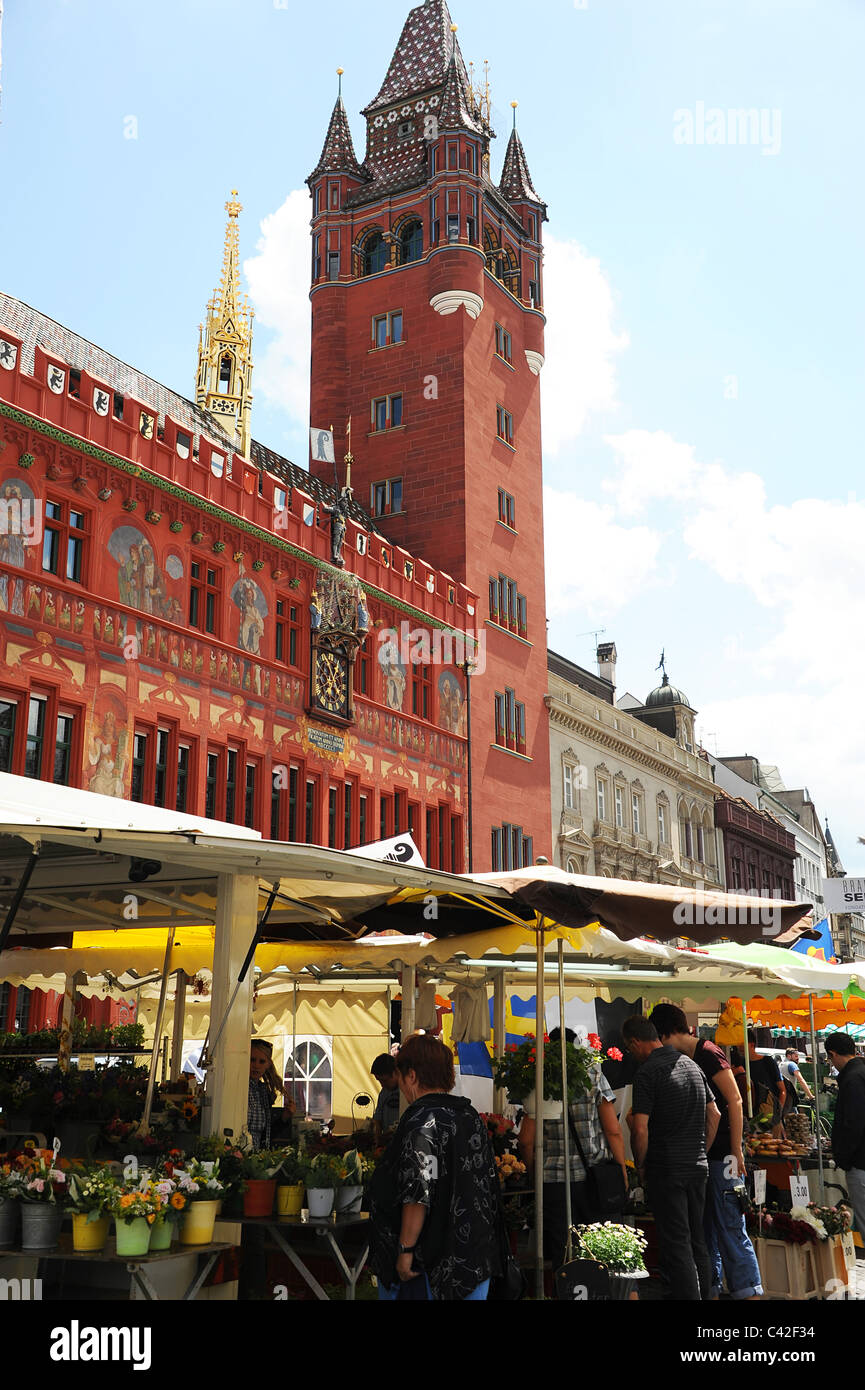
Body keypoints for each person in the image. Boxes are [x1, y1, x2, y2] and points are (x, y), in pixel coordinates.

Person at [368, 1033, 500, 1300]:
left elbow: (419, 1192)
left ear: (412, 1075)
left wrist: (405, 1251)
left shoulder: (422, 1122)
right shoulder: (468, 1115)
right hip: (472, 1256)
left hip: (430, 1267)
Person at [650, 1005, 762, 1302]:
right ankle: (709, 1289)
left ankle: (749, 1292)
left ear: (664, 1034)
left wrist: (737, 1148)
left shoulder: (708, 1053)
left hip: (723, 1153)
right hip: (703, 1157)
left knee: (729, 1224)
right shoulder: (687, 1057)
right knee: (705, 1229)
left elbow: (735, 1101)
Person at [622, 1015, 721, 1301]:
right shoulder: (691, 1064)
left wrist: (640, 1164)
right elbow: (714, 1113)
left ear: (635, 1042)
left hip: (667, 1168)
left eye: (630, 1049)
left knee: (677, 1244)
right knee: (697, 1241)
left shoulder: (647, 1072)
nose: (632, 1054)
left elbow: (640, 1128)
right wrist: (701, 1149)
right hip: (697, 1166)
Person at [517, 1027, 629, 1270]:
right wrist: (621, 1169)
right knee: (600, 1252)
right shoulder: (593, 1076)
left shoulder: (538, 1080)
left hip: (554, 1183)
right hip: (594, 1179)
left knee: (564, 1255)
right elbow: (613, 1130)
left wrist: (535, 1173)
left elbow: (526, 1140)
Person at [826, 1032, 865, 1243]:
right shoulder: (860, 1072)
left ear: (833, 1054)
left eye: (829, 1058)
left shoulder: (852, 1078)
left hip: (860, 1164)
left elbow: (854, 1125)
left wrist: (843, 1157)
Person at [248, 1038, 292, 1151]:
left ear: (268, 1064)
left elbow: (267, 1134)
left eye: (261, 1061)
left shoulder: (263, 1091)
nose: (256, 1065)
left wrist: (284, 1117)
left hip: (257, 1156)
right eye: (252, 1060)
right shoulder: (241, 1087)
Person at [746, 1031, 786, 1134]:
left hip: (769, 1117)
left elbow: (782, 1090)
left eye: (742, 1043)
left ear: (752, 1044)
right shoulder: (740, 1064)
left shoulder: (767, 1061)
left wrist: (777, 1115)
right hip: (750, 1119)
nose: (739, 1047)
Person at [371, 1053, 401, 1142]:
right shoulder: (383, 1093)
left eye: (385, 1080)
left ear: (395, 1073)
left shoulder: (406, 1092)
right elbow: (378, 1120)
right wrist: (378, 1140)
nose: (382, 1084)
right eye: (379, 1081)